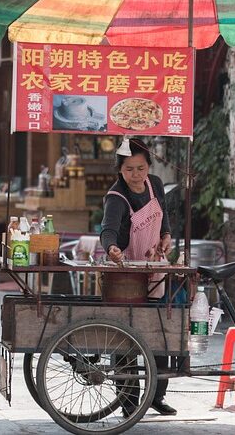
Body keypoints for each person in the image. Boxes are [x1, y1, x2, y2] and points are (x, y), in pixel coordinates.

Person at [99, 138, 175, 416]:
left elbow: (163, 215)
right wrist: (112, 248)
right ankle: (128, 401)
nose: (136, 175)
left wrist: (166, 235)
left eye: (141, 168)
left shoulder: (155, 184)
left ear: (148, 166)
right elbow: (107, 230)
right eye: (129, 169)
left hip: (154, 268)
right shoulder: (116, 197)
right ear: (120, 170)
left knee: (160, 331)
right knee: (126, 338)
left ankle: (157, 395)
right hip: (126, 275)